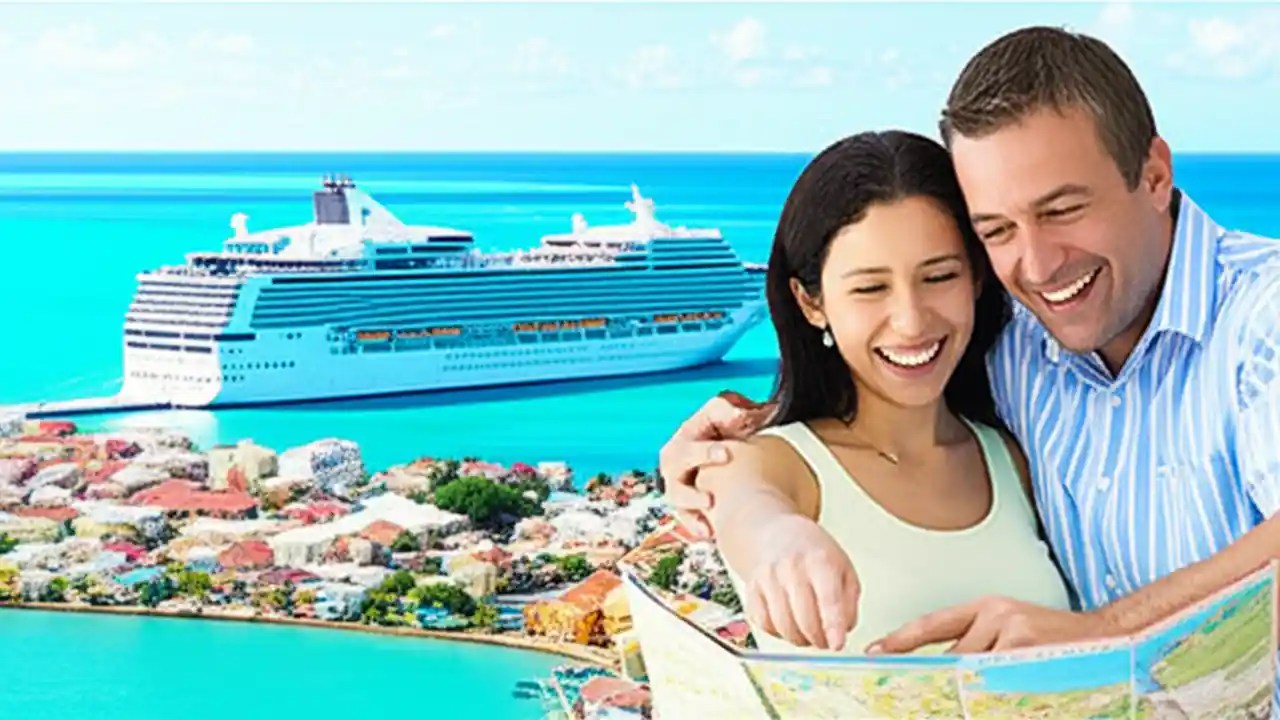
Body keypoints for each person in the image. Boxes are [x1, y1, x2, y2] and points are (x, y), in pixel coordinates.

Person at [660, 24, 1280, 656]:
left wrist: (1107, 632)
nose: (1037, 267)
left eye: (1062, 210)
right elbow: (874, 398)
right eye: (996, 229)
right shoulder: (1021, 338)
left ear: (1152, 176)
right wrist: (732, 470)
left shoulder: (1263, 311)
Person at [694, 128, 1072, 655]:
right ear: (810, 302)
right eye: (871, 288)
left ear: (976, 279)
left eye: (939, 276)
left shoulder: (1010, 457)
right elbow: (747, 507)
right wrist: (780, 539)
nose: (912, 321)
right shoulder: (773, 461)